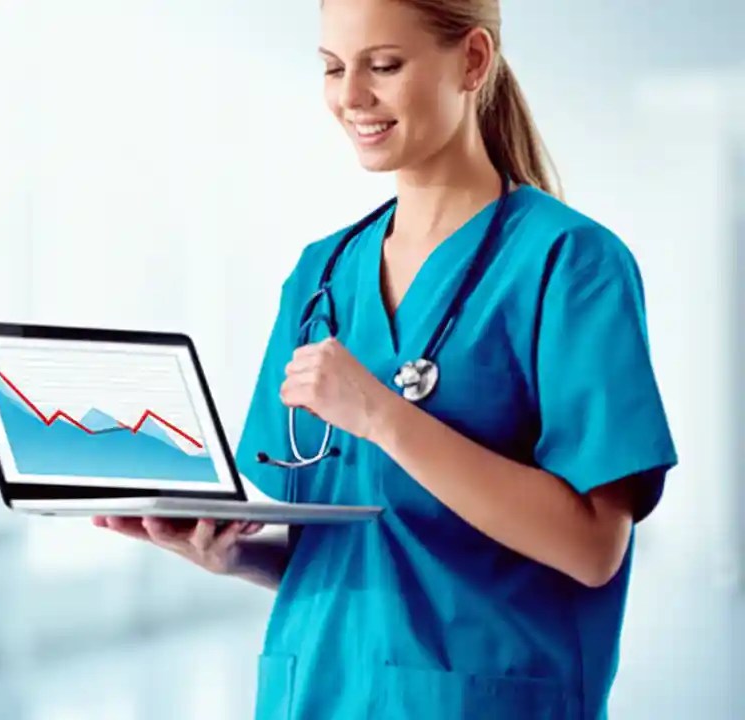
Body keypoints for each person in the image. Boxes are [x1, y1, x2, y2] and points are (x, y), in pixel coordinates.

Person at [92, 0, 678, 717]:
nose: (351, 97)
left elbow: (593, 547)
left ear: (473, 60)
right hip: (317, 693)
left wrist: (380, 415)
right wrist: (233, 554)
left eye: (384, 66)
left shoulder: (570, 264)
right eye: (334, 68)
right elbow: (369, 550)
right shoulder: (321, 279)